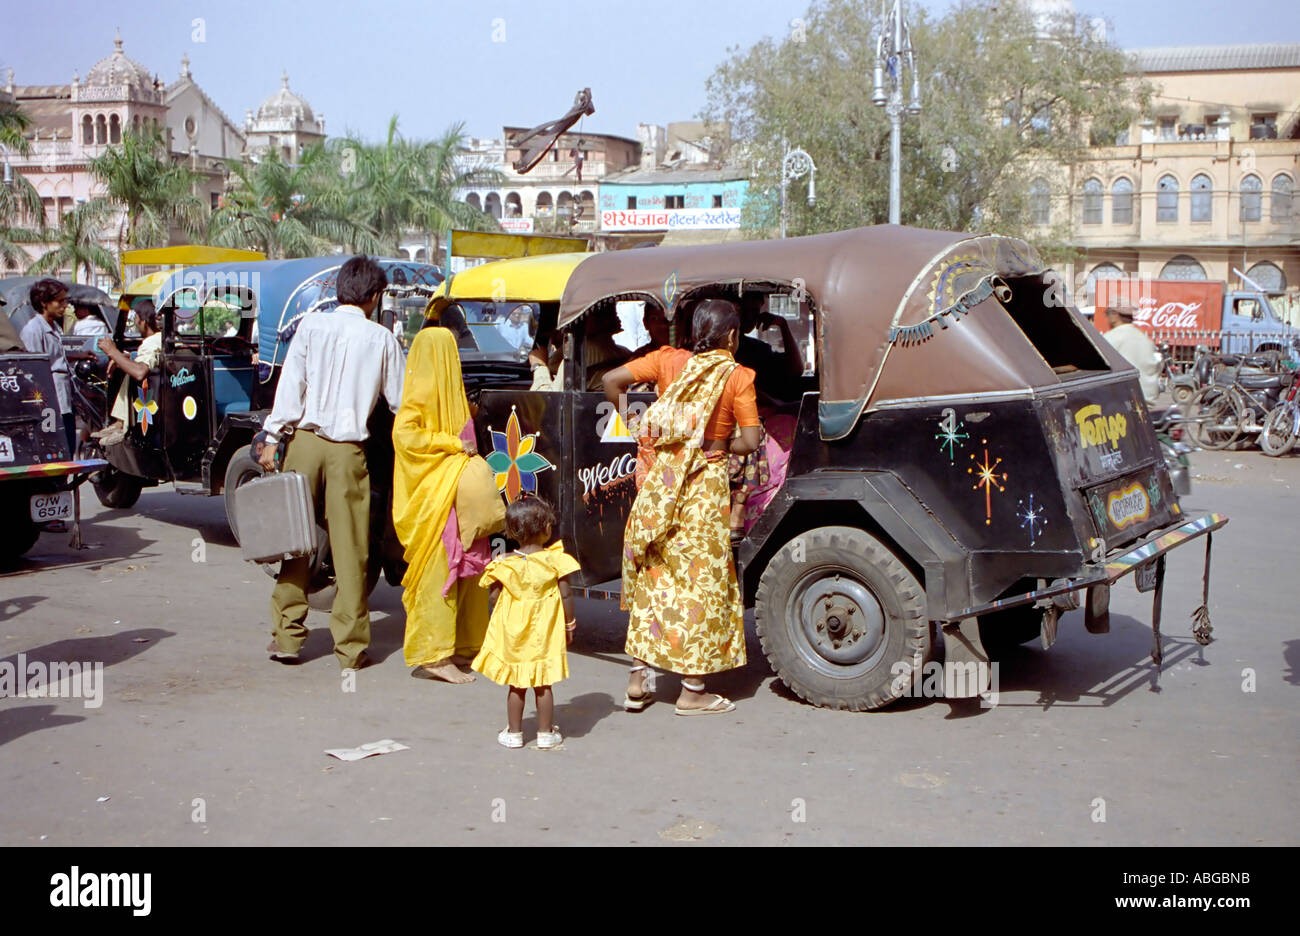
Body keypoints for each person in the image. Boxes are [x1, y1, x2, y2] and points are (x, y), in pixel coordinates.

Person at [259, 256, 405, 671]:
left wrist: (272, 437)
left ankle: (287, 637)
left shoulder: (311, 326)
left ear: (338, 290)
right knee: (352, 548)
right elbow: (400, 402)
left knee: (295, 540)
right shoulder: (381, 340)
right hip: (347, 451)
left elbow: (290, 390)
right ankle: (351, 649)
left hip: (303, 443)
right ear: (374, 297)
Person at [620, 299, 762, 716]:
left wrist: (635, 430)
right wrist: (718, 446)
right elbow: (751, 441)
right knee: (700, 583)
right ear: (733, 337)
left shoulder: (668, 362)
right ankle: (692, 690)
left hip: (662, 481)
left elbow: (613, 380)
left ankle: (637, 681)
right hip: (703, 487)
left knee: (656, 574)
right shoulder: (737, 376)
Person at [393, 327, 496, 683]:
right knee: (441, 571)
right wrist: (450, 444)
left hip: (454, 496)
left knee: (468, 569)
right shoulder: (419, 394)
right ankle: (433, 656)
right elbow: (404, 436)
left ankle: (465, 644)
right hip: (432, 500)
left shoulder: (454, 398)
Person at [472, 496, 580, 750]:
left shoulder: (505, 563)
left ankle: (514, 733)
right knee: (543, 683)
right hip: (545, 629)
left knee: (517, 684)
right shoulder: (555, 560)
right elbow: (566, 595)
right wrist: (570, 624)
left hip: (515, 631)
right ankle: (545, 733)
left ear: (511, 532)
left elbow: (494, 596)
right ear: (545, 529)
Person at [93, 298, 163, 446]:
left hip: (153, 400)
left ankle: (122, 424)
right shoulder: (163, 338)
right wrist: (126, 357)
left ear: (142, 321)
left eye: (136, 318)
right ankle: (120, 420)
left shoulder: (150, 343)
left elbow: (139, 371)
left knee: (129, 373)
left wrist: (112, 351)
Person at [21, 279, 76, 454]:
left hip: (63, 400)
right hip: (49, 403)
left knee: (68, 446)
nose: (65, 306)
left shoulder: (54, 327)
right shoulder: (34, 329)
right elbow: (34, 370)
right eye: (60, 301)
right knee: (54, 449)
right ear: (44, 303)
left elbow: (54, 357)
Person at [1102, 300, 1161, 403]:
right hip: (1147, 400)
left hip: (1123, 403)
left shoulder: (1110, 338)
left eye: (1107, 313)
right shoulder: (1145, 339)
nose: (1106, 318)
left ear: (1115, 315)